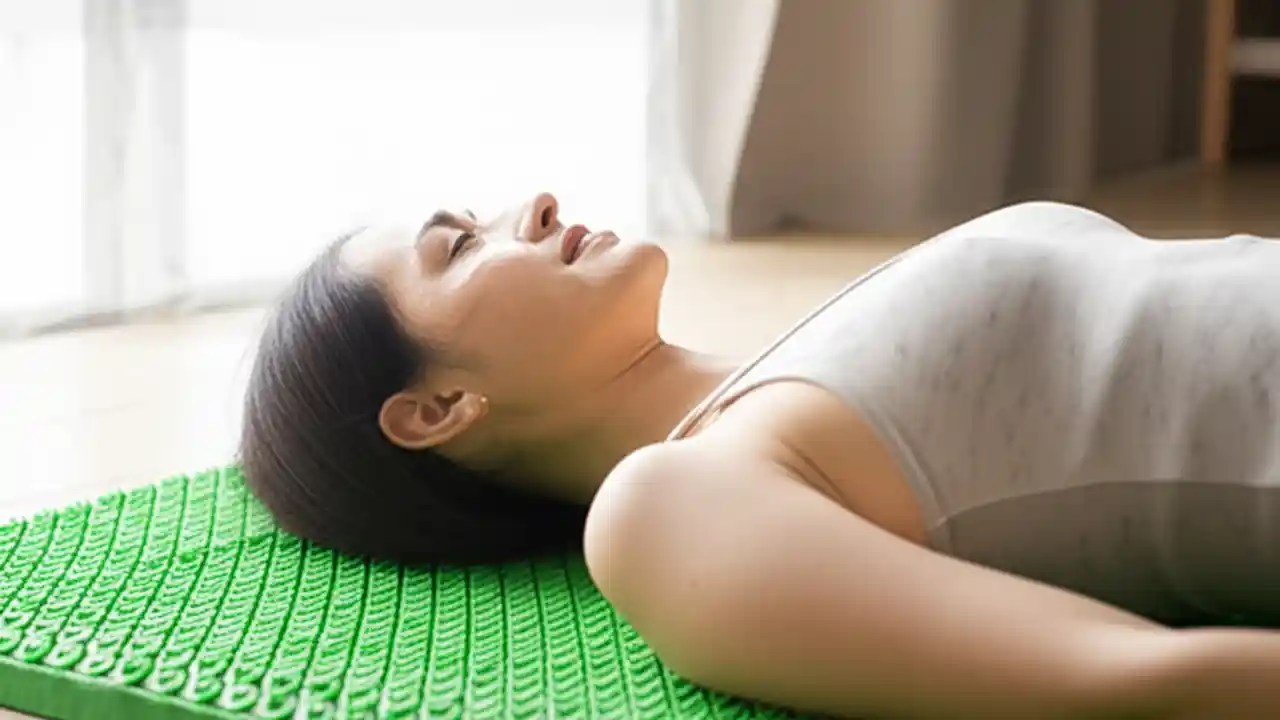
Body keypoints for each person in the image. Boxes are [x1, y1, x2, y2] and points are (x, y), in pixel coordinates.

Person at [239, 192, 1280, 718]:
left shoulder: (795, 360)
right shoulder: (669, 503)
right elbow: (1127, 686)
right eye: (459, 246)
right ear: (436, 410)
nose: (538, 204)